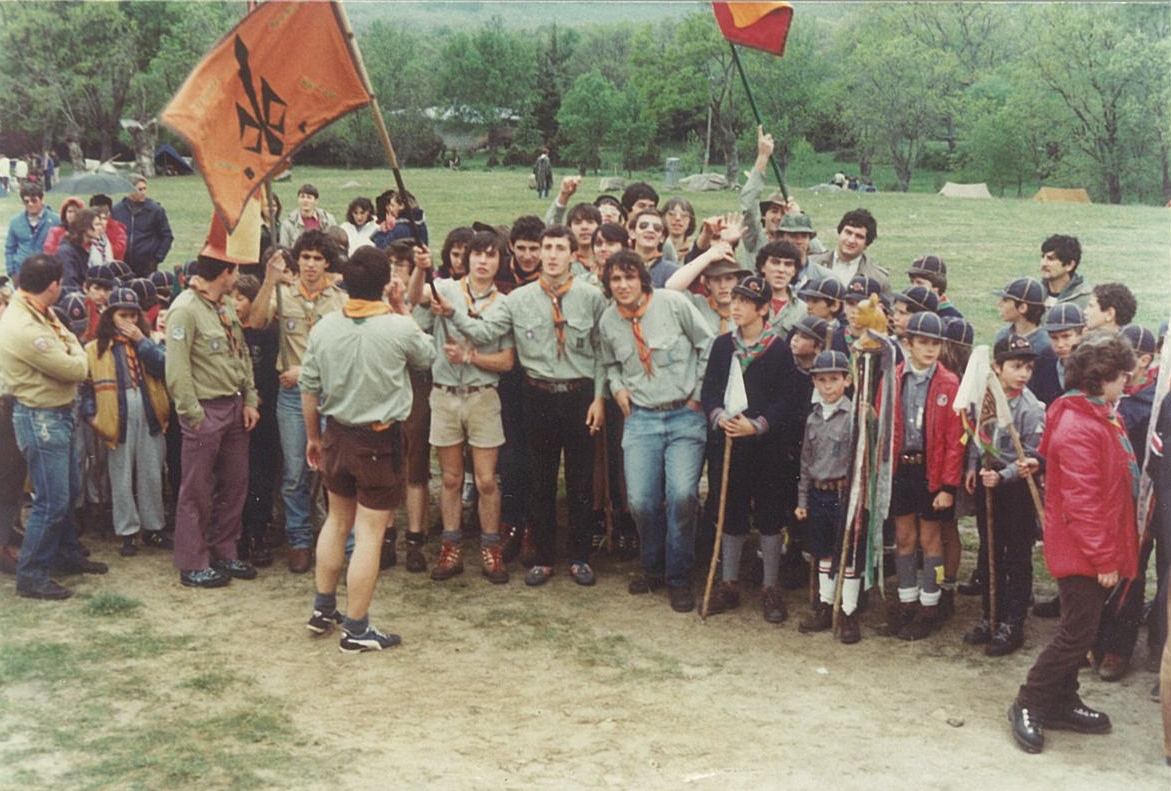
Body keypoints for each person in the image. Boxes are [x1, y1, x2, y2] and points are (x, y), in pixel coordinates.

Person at [432, 225, 607, 588]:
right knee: (539, 480)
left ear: (574, 254)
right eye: (548, 248)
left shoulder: (592, 297)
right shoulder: (518, 299)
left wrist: (599, 398)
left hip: (579, 395)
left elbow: (602, 353)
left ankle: (578, 558)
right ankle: (542, 558)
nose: (553, 255)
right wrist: (452, 313)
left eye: (561, 248)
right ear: (538, 254)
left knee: (579, 481)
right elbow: (482, 334)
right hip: (538, 395)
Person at [300, 245, 435, 652]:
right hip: (377, 440)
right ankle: (356, 628)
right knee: (370, 532)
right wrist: (402, 309)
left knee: (337, 521)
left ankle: (323, 608)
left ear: (343, 280)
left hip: (336, 434)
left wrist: (313, 437)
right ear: (384, 284)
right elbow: (426, 358)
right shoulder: (398, 328)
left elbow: (309, 386)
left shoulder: (324, 326)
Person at [1010, 332, 1139, 755]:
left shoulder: (1092, 412)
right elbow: (1082, 503)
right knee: (1076, 634)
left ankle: (1062, 700)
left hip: (1091, 544)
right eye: (1122, 376)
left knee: (1082, 630)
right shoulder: (1084, 424)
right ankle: (1029, 701)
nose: (1127, 383)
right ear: (1102, 378)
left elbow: (1052, 453)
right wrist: (1104, 558)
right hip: (1083, 549)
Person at [599, 250, 713, 612]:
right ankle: (653, 565)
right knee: (641, 501)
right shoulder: (608, 321)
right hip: (642, 419)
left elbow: (707, 344)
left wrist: (697, 394)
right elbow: (610, 363)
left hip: (684, 416)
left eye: (629, 277)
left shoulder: (672, 303)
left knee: (682, 495)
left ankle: (679, 576)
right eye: (615, 279)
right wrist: (617, 387)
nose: (623, 285)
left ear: (643, 279)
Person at [407, 230, 514, 584]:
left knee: (485, 480)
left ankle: (490, 546)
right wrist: (422, 270)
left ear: (501, 261)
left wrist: (468, 350)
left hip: (483, 395)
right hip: (445, 394)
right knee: (451, 478)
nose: (483, 262)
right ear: (466, 258)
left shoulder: (503, 304)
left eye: (491, 255)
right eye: (477, 255)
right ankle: (450, 547)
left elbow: (500, 355)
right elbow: (413, 297)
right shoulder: (447, 287)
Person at [0, 254, 106, 599]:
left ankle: (65, 554)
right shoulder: (25, 326)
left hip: (55, 414)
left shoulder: (38, 311)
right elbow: (77, 368)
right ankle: (31, 573)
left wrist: (72, 350)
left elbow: (70, 345)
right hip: (41, 417)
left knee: (67, 489)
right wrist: (75, 351)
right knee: (51, 500)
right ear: (53, 286)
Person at [700, 274, 796, 622]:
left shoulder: (779, 349)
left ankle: (770, 587)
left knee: (770, 513)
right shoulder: (723, 345)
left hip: (766, 446)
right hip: (730, 444)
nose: (735, 306)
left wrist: (757, 425)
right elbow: (709, 390)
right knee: (731, 510)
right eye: (734, 300)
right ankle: (728, 583)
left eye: (744, 302)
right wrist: (720, 416)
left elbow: (787, 399)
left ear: (763, 308)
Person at [249, 231, 347, 573]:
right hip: (292, 399)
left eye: (317, 258)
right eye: (304, 257)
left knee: (336, 471)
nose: (310, 264)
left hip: (330, 396)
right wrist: (268, 281)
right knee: (294, 473)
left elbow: (344, 353)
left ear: (327, 263)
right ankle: (300, 539)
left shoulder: (339, 301)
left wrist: (304, 371)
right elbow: (256, 320)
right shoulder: (282, 294)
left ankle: (344, 542)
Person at [164, 254, 260, 588]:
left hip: (233, 406)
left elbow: (241, 354)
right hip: (204, 409)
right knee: (197, 489)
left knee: (236, 484)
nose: (237, 275)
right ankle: (193, 562)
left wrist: (249, 398)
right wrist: (194, 416)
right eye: (234, 270)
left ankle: (225, 551)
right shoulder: (185, 309)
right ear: (224, 272)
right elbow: (176, 371)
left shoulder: (224, 306)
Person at [961, 334, 1045, 657]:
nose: (1023, 373)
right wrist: (972, 466)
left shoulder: (1030, 408)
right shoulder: (987, 398)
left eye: (1028, 367)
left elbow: (1030, 456)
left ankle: (1013, 621)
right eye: (1016, 366)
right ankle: (990, 615)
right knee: (990, 549)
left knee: (1017, 555)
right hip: (987, 480)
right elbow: (978, 435)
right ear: (997, 367)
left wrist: (1004, 476)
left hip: (1015, 489)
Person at [883, 311, 964, 641]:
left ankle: (931, 605)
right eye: (923, 343)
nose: (930, 350)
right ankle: (907, 601)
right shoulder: (894, 377)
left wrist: (947, 485)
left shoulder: (948, 383)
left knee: (931, 538)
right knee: (905, 538)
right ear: (908, 343)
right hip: (903, 468)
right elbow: (886, 426)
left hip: (932, 471)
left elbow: (954, 441)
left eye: (935, 344)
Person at [80, 287, 171, 558]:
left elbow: (164, 367)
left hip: (149, 412)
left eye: (133, 316)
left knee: (151, 472)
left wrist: (142, 341)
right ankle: (127, 531)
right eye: (123, 315)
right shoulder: (95, 349)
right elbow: (85, 389)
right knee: (120, 476)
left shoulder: (152, 340)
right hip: (115, 417)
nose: (129, 321)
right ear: (110, 316)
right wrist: (92, 417)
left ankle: (153, 527)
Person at [795, 350, 860, 642]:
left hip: (844, 494)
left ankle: (848, 611)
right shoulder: (813, 419)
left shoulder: (854, 417)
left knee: (845, 553)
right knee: (822, 551)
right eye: (822, 380)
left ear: (847, 380)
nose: (828, 386)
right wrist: (802, 500)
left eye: (834, 379)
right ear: (814, 383)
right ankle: (824, 604)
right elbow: (805, 463)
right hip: (819, 494)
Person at [231, 274, 278, 567]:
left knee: (260, 476)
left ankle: (258, 533)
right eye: (231, 298)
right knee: (235, 476)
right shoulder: (227, 331)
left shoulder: (267, 334)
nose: (235, 304)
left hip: (262, 413)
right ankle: (238, 534)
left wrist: (258, 396)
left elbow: (270, 372)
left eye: (241, 298)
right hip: (233, 410)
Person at [807, 208, 890, 294]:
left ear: (867, 244)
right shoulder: (811, 263)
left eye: (859, 236)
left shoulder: (878, 280)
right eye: (848, 232)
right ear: (839, 232)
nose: (851, 240)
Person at [111, 176, 174, 278]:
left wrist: (157, 258)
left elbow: (167, 236)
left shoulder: (155, 210)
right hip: (123, 264)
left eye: (145, 188)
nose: (143, 192)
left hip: (146, 265)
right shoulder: (117, 210)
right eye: (139, 189)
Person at [5, 182, 58, 282]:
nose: (30, 204)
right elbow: (10, 249)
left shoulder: (55, 220)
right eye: (26, 201)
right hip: (21, 273)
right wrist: (12, 272)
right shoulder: (15, 222)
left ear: (42, 199)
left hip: (47, 273)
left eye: (34, 201)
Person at [994, 278, 1049, 354]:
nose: (999, 304)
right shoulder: (1002, 335)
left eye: (1005, 300)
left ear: (1022, 308)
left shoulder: (1045, 344)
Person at [1039, 234, 1091, 309]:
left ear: (1069, 265)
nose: (1043, 263)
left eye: (1051, 259)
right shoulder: (1033, 295)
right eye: (1043, 257)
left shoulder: (1085, 301)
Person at [278, 184, 335, 249]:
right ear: (298, 199)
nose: (305, 200)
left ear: (316, 201)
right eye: (302, 197)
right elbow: (284, 249)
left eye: (309, 197)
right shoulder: (288, 223)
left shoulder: (328, 220)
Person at [907, 255, 962, 319]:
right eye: (912, 282)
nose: (913, 287)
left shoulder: (951, 317)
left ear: (936, 288)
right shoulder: (909, 309)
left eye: (919, 283)